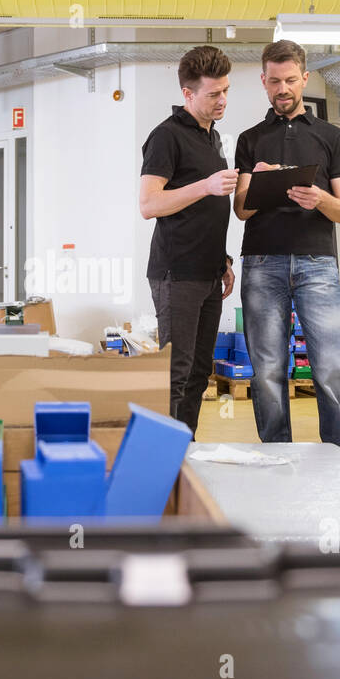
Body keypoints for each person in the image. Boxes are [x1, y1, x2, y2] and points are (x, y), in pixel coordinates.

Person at [233, 39, 340, 448]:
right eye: (273, 82)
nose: (282, 89)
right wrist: (265, 182)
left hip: (317, 263)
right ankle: (275, 456)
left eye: (289, 80)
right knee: (267, 370)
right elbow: (241, 210)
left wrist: (319, 198)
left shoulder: (332, 137)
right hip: (262, 264)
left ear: (304, 78)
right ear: (263, 82)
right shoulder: (250, 140)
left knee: (331, 367)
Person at [138, 45, 237, 437]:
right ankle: (165, 464)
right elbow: (149, 204)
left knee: (199, 372)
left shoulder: (212, 138)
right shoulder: (166, 137)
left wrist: (224, 261)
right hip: (175, 274)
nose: (222, 100)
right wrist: (207, 185)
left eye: (225, 90)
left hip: (209, 273)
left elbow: (205, 210)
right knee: (174, 376)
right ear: (188, 94)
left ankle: (186, 448)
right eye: (213, 94)